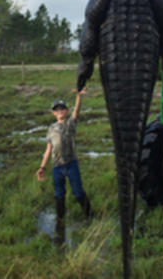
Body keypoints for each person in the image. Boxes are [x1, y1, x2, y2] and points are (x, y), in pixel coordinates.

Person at [36, 88, 93, 224]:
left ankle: (90, 216)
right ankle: (60, 220)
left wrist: (79, 97)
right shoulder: (51, 129)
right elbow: (48, 149)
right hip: (57, 167)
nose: (60, 111)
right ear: (53, 113)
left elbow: (77, 111)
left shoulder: (70, 124)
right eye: (57, 109)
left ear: (67, 111)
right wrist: (42, 167)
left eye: (62, 108)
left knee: (78, 192)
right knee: (59, 194)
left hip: (72, 164)